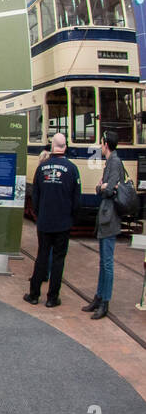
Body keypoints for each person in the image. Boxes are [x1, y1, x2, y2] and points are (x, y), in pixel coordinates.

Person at [23, 132, 79, 308]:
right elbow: (76, 199)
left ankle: (34, 294)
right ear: (65, 147)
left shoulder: (41, 168)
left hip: (45, 222)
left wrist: (40, 214)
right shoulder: (72, 169)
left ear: (52, 146)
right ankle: (52, 298)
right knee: (58, 260)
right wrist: (71, 218)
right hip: (63, 222)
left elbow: (36, 196)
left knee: (42, 256)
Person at [85, 130, 125, 320]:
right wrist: (102, 187)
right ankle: (99, 297)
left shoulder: (115, 162)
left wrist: (103, 187)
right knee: (103, 261)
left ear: (106, 145)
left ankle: (104, 302)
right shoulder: (110, 162)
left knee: (107, 262)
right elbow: (102, 187)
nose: (100, 147)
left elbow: (108, 189)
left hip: (110, 217)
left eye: (101, 143)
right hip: (105, 216)